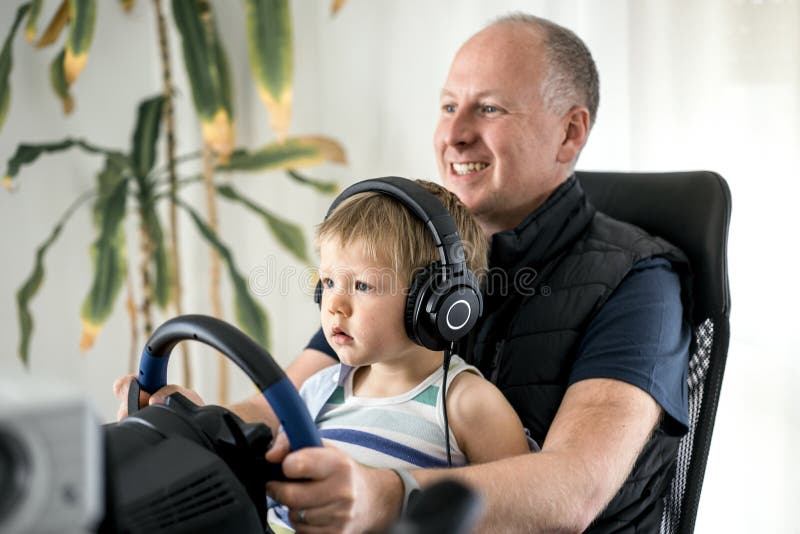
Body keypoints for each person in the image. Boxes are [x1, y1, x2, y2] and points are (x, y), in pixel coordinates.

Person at [116, 13, 691, 533]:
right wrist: (189, 420)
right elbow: (278, 406)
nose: (455, 133)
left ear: (570, 132)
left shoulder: (640, 280)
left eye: (488, 108)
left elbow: (573, 490)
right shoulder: (410, 248)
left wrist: (389, 497)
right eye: (448, 106)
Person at [264, 178, 530, 532]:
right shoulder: (319, 391)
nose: (334, 306)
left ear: (437, 301)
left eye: (362, 286)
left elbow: (520, 511)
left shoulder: (468, 404)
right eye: (328, 283)